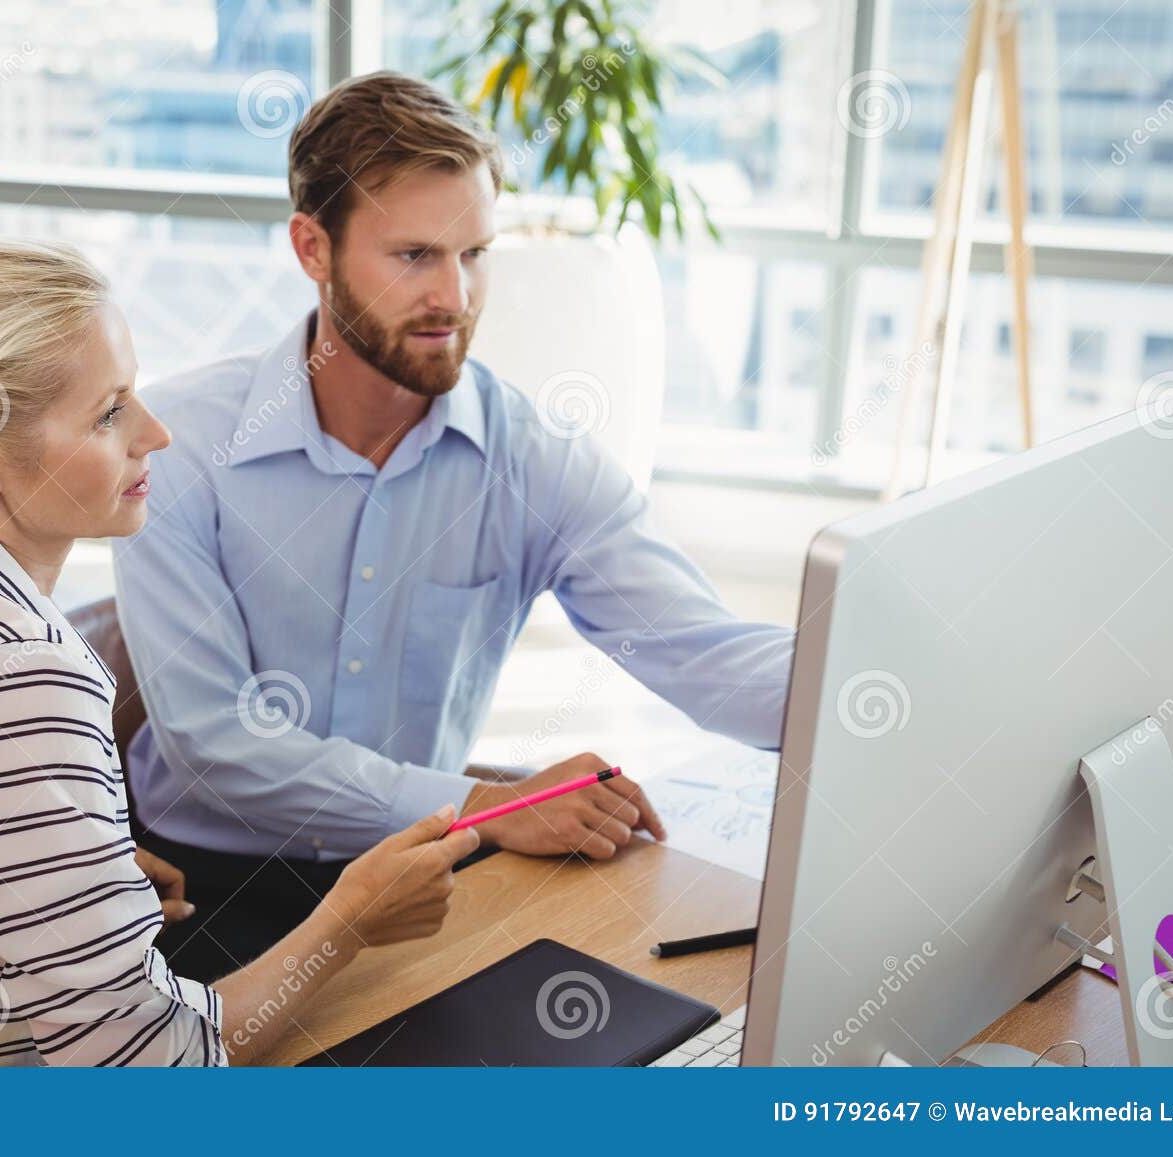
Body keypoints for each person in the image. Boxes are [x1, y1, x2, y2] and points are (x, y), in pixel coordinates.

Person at [0, 239, 479, 1067]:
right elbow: (151, 1067)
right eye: (108, 412)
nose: (155, 431)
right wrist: (350, 919)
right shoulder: (21, 673)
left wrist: (60, 869)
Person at [112, 71, 797, 983]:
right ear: (312, 247)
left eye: (474, 254)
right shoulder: (182, 443)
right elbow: (216, 750)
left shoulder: (527, 455)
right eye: (414, 256)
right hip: (212, 891)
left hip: (425, 877)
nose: (456, 296)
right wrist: (484, 804)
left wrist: (895, 683)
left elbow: (703, 651)